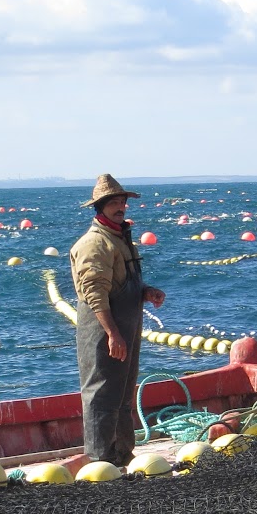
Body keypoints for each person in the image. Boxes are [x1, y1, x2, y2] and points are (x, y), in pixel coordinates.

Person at [68, 174, 165, 466]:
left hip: (127, 328)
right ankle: (100, 462)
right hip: (104, 331)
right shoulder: (94, 243)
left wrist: (146, 291)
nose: (120, 207)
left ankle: (122, 457)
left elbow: (120, 282)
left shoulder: (119, 238)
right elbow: (95, 294)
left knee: (122, 393)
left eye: (122, 202)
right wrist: (112, 334)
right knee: (100, 394)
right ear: (99, 207)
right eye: (113, 203)